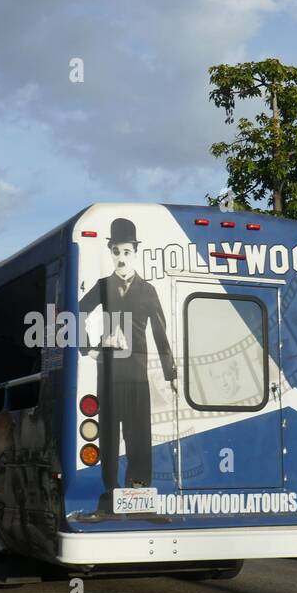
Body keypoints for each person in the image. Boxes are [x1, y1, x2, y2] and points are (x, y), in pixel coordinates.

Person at [79, 217, 176, 514]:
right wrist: (90, 348)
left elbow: (160, 333)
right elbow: (77, 312)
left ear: (135, 252)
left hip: (136, 375)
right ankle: (108, 498)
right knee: (107, 437)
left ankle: (140, 498)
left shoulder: (147, 290)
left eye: (126, 252)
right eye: (116, 252)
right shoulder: (103, 285)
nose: (121, 258)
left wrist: (171, 373)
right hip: (107, 374)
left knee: (138, 436)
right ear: (111, 252)